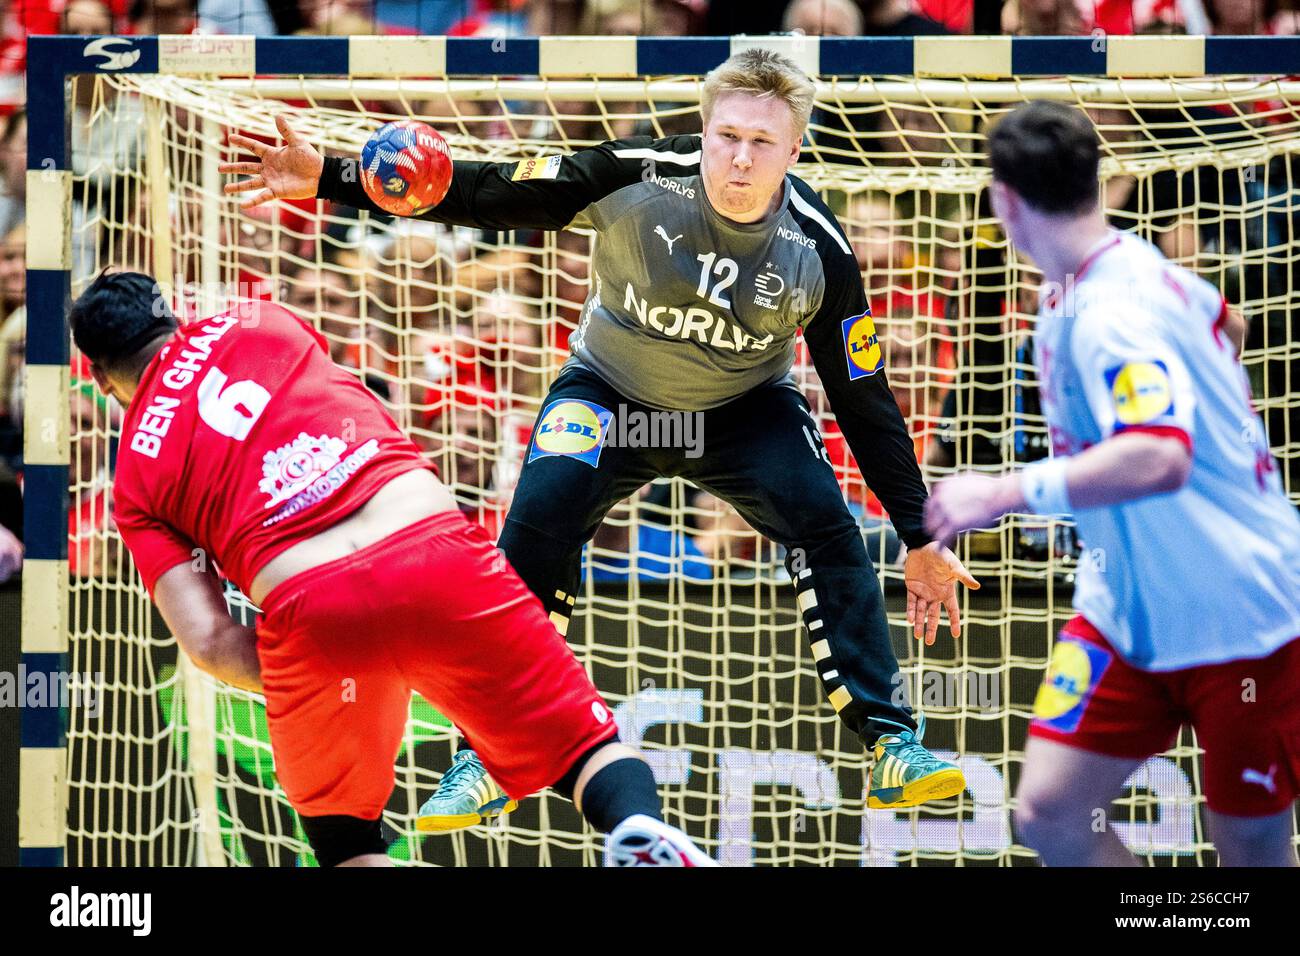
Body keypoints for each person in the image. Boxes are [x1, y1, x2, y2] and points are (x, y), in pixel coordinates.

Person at [222, 49, 980, 830]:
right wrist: (334, 179)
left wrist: (920, 533)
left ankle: (893, 743)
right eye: (726, 136)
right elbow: (495, 190)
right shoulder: (638, 174)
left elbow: (865, 400)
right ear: (703, 130)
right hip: (609, 395)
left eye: (761, 142)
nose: (740, 158)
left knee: (826, 521)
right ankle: (485, 755)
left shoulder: (817, 249)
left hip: (742, 410)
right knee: (536, 514)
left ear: (794, 151)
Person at [69, 270, 712, 867]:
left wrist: (320, 672)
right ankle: (640, 835)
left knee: (344, 835)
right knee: (583, 747)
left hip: (307, 607)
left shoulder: (133, 476)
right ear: (176, 318)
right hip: (428, 547)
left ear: (99, 377)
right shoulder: (263, 320)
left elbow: (210, 642)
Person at [925, 101, 1300, 866]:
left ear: (1003, 200)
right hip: (1126, 610)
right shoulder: (1130, 268)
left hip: (1241, 617)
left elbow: (1161, 455)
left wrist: (999, 492)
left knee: (1252, 851)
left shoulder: (1106, 314)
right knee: (1051, 813)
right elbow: (1229, 326)